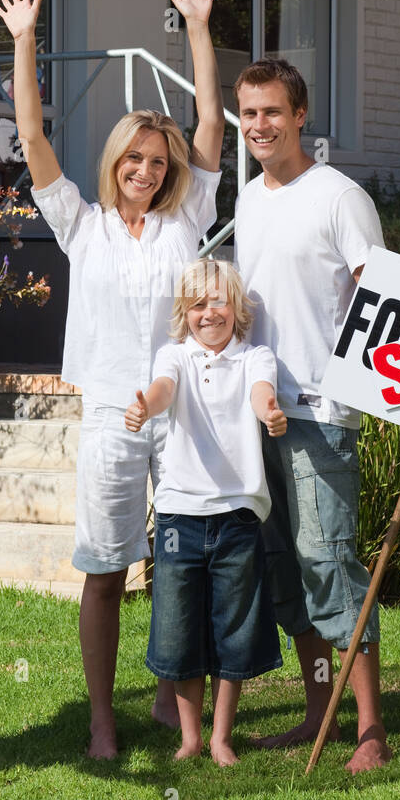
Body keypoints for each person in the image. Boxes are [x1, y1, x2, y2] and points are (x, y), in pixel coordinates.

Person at [0, 0, 224, 759]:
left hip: (185, 408)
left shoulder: (189, 217)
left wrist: (197, 27)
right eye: (137, 159)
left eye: (160, 163)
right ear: (117, 159)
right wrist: (24, 41)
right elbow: (31, 139)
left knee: (182, 561)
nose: (148, 172)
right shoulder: (79, 225)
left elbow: (212, 122)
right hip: (106, 417)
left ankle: (167, 701)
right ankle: (101, 720)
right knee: (105, 568)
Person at [230, 58, 400, 774]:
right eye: (248, 113)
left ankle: (371, 730)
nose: (259, 125)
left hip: (323, 412)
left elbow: (384, 301)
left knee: (333, 565)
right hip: (260, 414)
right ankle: (317, 712)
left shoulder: (338, 196)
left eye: (272, 112)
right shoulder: (249, 200)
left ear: (301, 115)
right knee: (287, 570)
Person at [125, 260, 286, 766]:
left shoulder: (256, 357)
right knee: (178, 629)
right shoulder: (173, 356)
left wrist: (270, 412)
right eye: (197, 304)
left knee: (233, 628)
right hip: (179, 518)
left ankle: (221, 738)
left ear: (236, 308)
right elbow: (164, 389)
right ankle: (190, 737)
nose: (208, 313)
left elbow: (262, 393)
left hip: (237, 517)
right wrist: (147, 406)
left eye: (218, 301)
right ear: (184, 313)